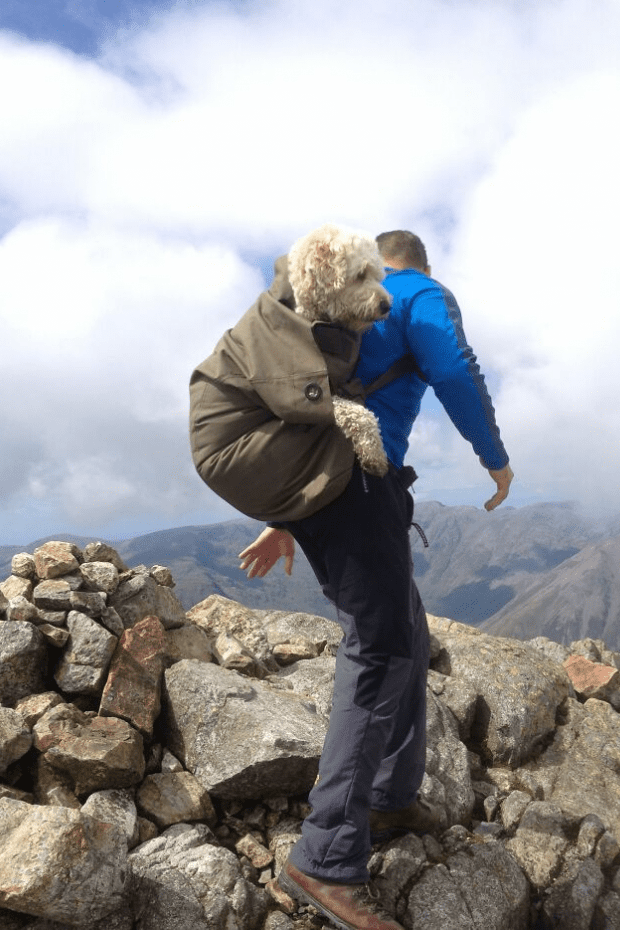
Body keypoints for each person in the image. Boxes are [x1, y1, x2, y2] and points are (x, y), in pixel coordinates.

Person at [240, 230, 513, 930]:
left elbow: (320, 404)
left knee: (406, 636)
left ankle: (389, 796)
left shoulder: (334, 311)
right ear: (418, 263)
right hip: (359, 485)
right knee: (382, 650)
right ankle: (325, 859)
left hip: (324, 487)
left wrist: (286, 517)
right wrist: (495, 459)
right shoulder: (416, 293)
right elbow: (454, 367)